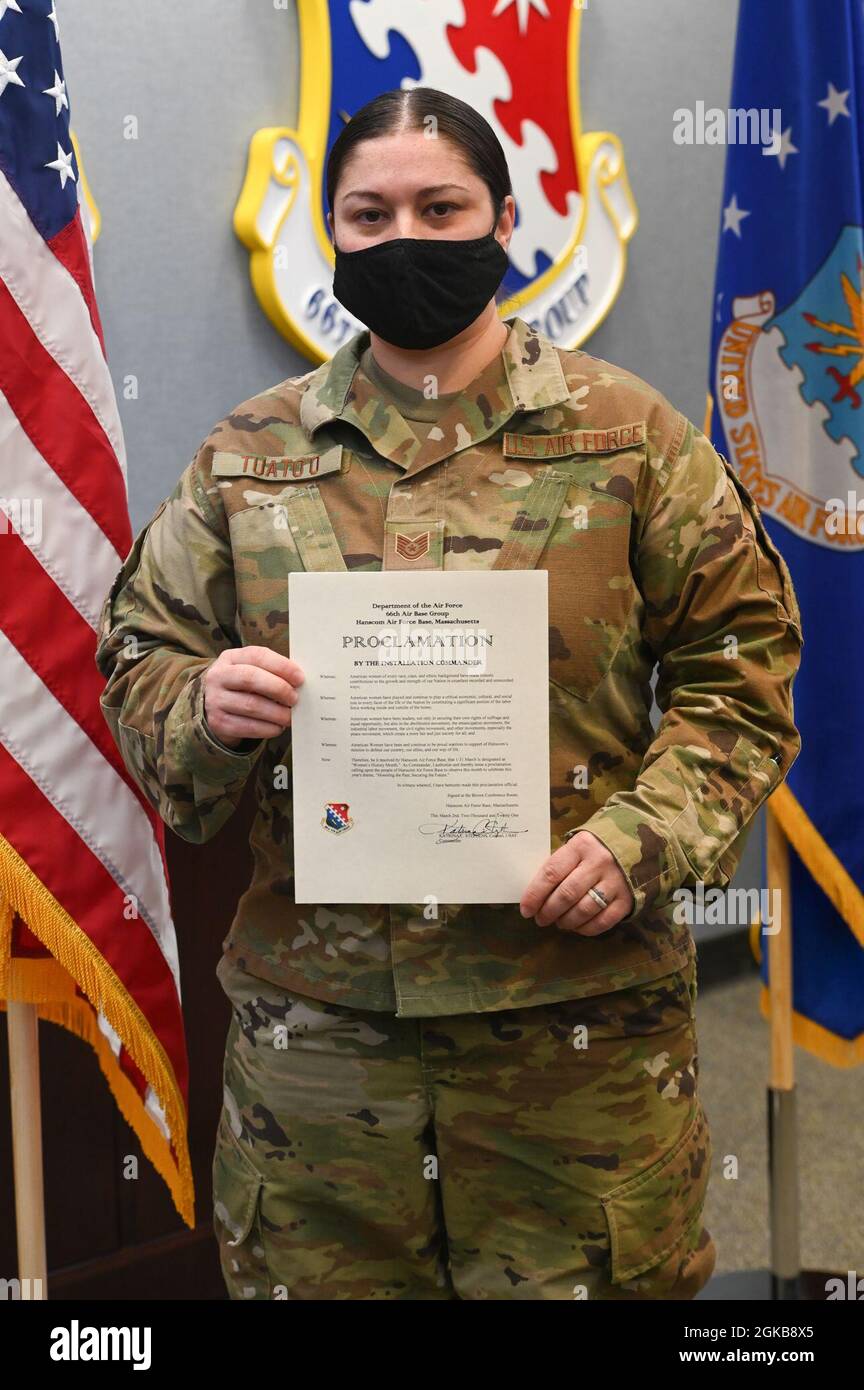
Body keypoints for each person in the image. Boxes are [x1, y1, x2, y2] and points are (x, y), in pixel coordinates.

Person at [95, 86, 803, 1301]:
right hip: (320, 1060)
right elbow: (137, 660)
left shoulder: (631, 439)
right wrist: (203, 707)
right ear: (333, 235)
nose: (404, 236)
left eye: (441, 205)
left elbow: (740, 672)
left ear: (505, 218)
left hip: (573, 1041)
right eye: (368, 214)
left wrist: (643, 841)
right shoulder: (246, 456)